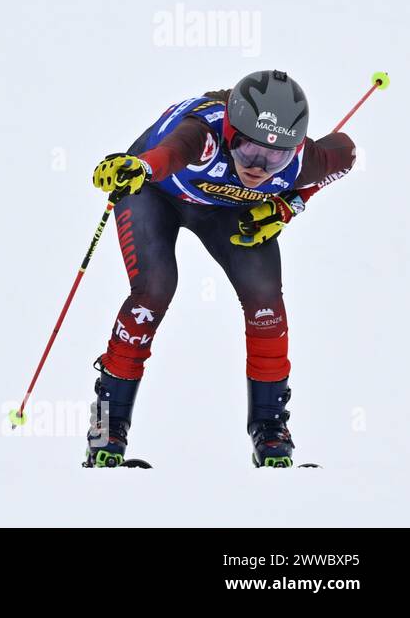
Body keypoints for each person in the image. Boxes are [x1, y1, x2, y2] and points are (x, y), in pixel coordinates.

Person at [84, 70, 355, 467]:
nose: (259, 167)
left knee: (265, 301)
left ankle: (271, 430)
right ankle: (106, 429)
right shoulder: (204, 134)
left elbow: (346, 154)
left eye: (275, 156)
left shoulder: (300, 162)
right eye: (247, 150)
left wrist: (288, 204)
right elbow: (171, 154)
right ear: (230, 133)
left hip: (227, 209)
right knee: (154, 290)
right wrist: (138, 169)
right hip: (153, 191)